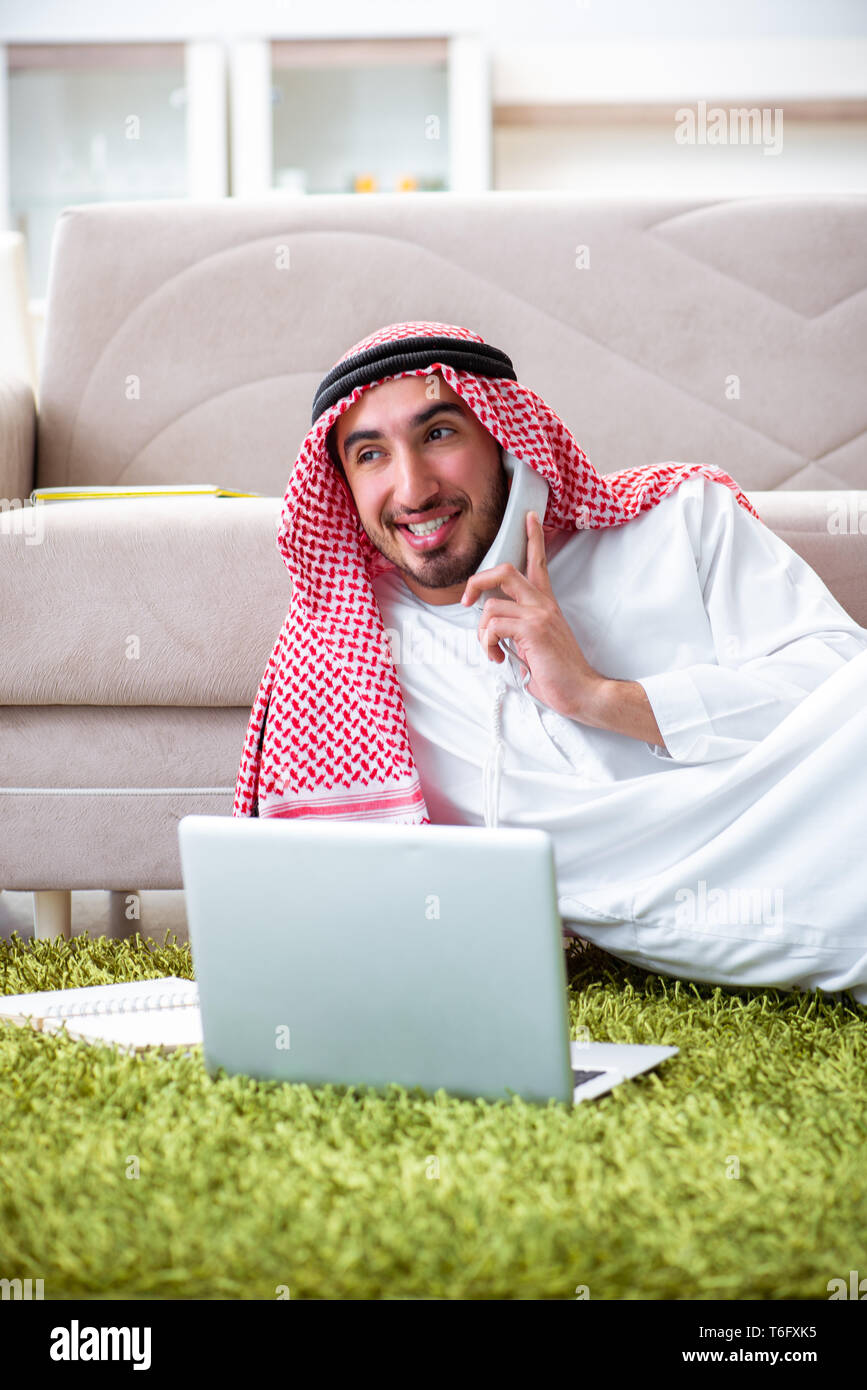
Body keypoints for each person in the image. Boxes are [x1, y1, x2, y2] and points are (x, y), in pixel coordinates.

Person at [235, 321, 867, 1003]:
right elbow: (325, 907)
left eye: (438, 434)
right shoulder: (346, 653)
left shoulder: (681, 519)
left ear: (504, 438)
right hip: (733, 921)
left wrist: (601, 698)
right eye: (370, 455)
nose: (412, 489)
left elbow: (836, 680)